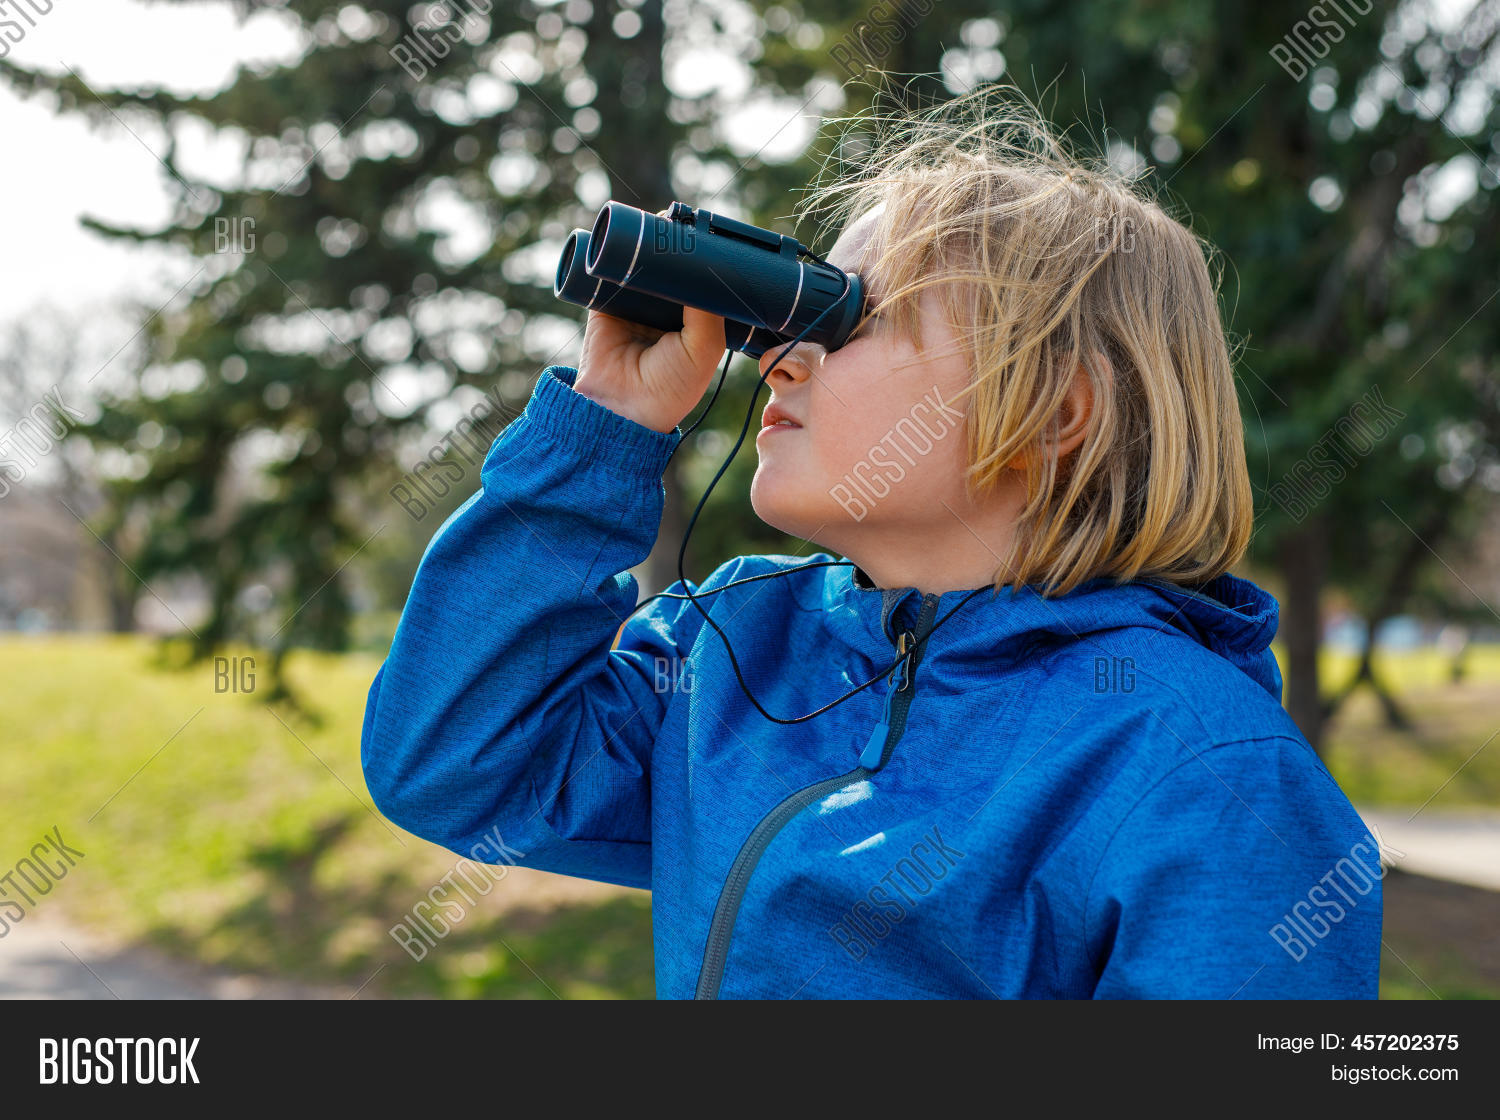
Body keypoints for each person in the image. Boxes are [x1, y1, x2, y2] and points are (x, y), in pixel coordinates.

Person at [361, 92, 1382, 999]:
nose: (781, 358)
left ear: (1056, 412)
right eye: (793, 307)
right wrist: (609, 428)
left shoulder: (1202, 774)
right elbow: (459, 765)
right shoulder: (732, 657)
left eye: (851, 317)